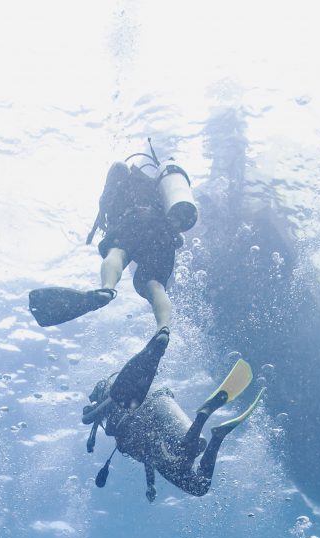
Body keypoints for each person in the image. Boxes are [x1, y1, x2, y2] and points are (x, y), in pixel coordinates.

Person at [81, 328, 263, 501]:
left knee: (187, 448)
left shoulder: (116, 396)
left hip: (154, 409)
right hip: (157, 444)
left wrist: (91, 415)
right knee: (199, 487)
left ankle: (202, 416)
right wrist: (150, 484)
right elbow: (147, 456)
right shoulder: (118, 420)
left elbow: (88, 418)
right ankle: (217, 436)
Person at [27, 149, 195, 331]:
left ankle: (107, 288)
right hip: (164, 235)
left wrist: (103, 219)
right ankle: (163, 328)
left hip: (135, 219)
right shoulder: (166, 195)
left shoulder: (130, 179)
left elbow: (111, 193)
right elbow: (179, 239)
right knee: (155, 283)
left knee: (117, 252)